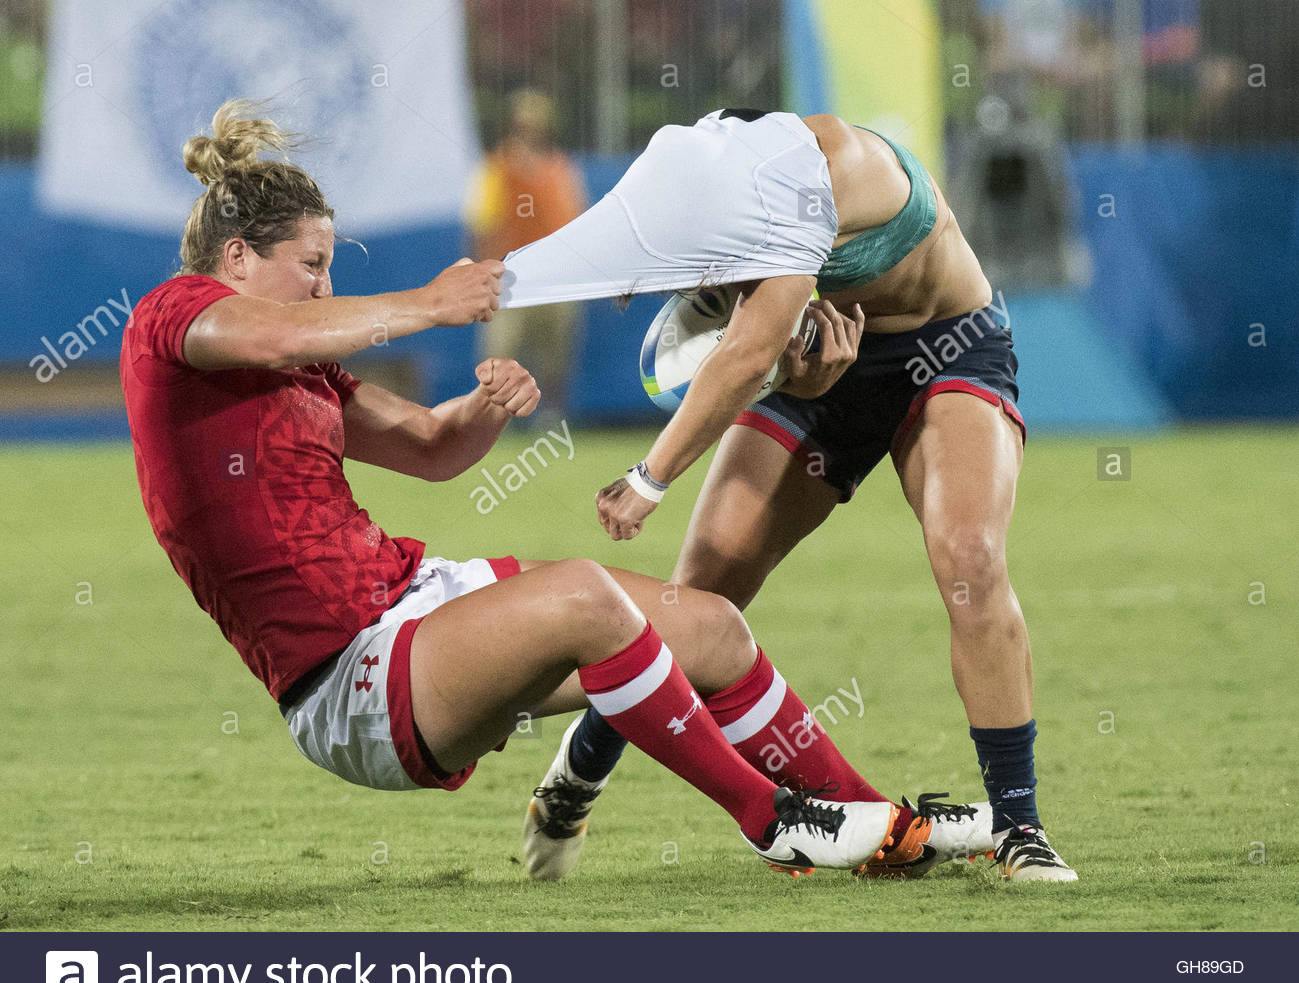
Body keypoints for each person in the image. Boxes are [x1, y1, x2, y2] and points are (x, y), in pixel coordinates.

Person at [120, 99, 990, 882]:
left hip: (410, 605)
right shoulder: (172, 317)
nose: (325, 286)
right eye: (311, 265)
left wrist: (484, 407)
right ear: (235, 257)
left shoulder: (303, 366)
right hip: (346, 679)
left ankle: (884, 826)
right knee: (585, 597)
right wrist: (428, 303)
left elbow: (428, 447)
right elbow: (269, 336)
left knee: (711, 628)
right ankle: (773, 821)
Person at [500, 108, 1076, 882]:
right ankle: (578, 772)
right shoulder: (724, 177)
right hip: (819, 361)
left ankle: (1019, 826)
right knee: (696, 599)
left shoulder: (821, 178)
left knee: (968, 555)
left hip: (945, 347)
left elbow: (744, 351)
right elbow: (657, 245)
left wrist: (649, 478)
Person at [465, 90, 586, 424]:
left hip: (554, 277)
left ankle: (551, 418)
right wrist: (479, 278)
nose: (531, 130)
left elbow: (575, 220)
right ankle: (489, 422)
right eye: (524, 123)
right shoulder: (496, 168)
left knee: (555, 355)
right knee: (499, 353)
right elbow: (481, 223)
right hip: (509, 278)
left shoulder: (560, 168)